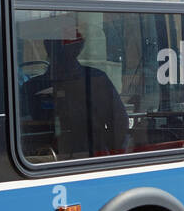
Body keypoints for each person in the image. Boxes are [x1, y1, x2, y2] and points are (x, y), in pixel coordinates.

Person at [19, 30, 130, 160]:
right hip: (43, 159)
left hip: (90, 157)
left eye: (66, 47)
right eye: (57, 47)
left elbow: (119, 122)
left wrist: (106, 151)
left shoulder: (95, 80)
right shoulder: (32, 86)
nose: (63, 52)